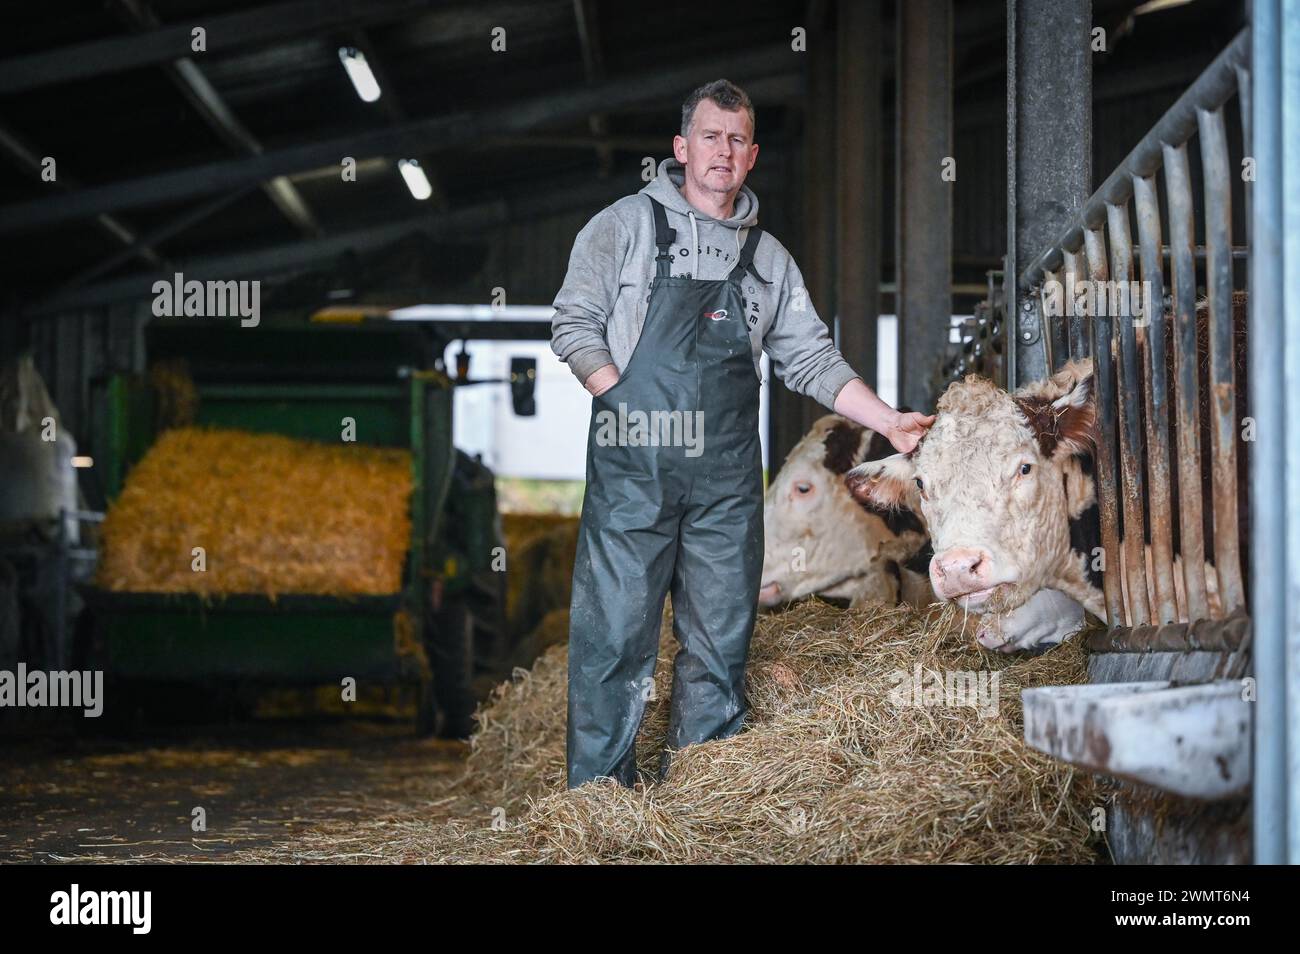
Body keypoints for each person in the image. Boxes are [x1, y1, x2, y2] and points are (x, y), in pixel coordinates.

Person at [550, 79, 934, 789]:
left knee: (720, 642)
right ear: (681, 147)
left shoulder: (768, 262)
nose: (722, 151)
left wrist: (889, 422)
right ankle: (599, 801)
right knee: (615, 637)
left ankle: (700, 796)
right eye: (709, 135)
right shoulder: (624, 227)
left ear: (752, 155)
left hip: (726, 484)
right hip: (636, 471)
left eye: (735, 139)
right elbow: (573, 323)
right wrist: (622, 400)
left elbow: (812, 359)